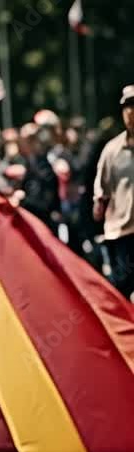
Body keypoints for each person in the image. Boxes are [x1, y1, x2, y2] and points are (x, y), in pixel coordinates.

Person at [93, 85, 134, 299]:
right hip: (122, 233)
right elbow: (102, 192)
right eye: (127, 107)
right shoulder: (112, 151)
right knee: (122, 290)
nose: (131, 112)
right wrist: (98, 209)